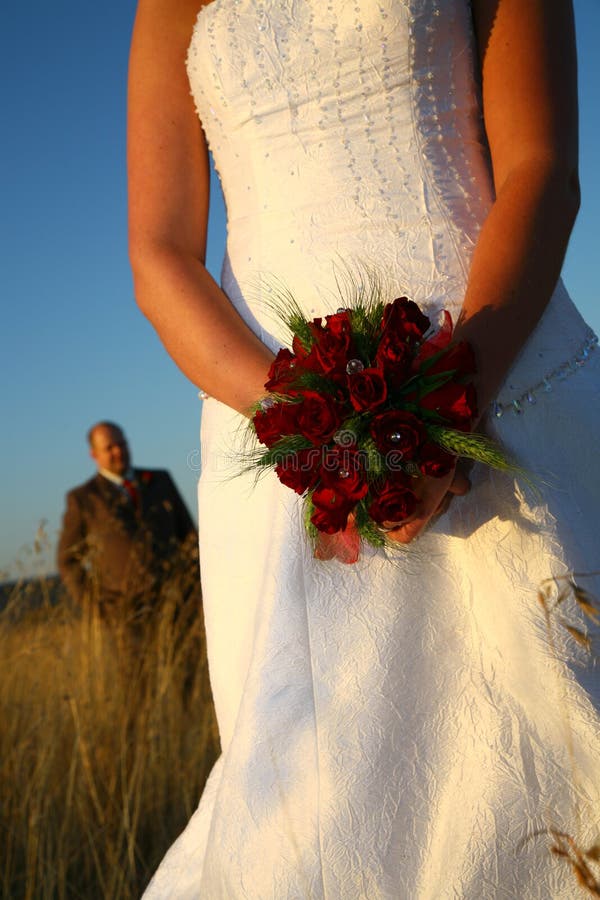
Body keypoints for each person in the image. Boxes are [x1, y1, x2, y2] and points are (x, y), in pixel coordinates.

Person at [128, 1, 600, 896]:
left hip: (495, 369)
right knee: (310, 802)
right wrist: (311, 426)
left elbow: (542, 168)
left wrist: (444, 403)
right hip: (272, 423)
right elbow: (159, 255)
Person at [57, 421, 198, 621]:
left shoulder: (160, 480)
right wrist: (98, 610)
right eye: (109, 448)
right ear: (94, 455)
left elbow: (190, 536)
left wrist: (192, 589)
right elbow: (67, 560)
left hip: (179, 609)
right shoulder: (83, 499)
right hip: (124, 620)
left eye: (121, 444)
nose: (118, 451)